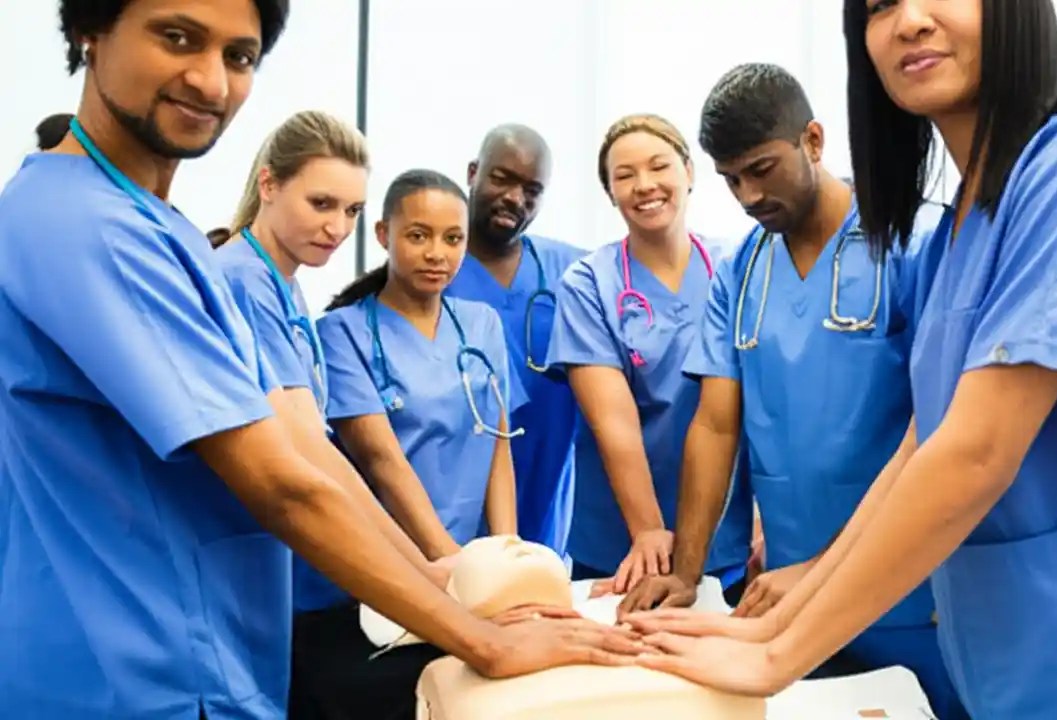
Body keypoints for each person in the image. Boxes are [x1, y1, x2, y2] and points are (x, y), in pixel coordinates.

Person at [626, 1, 1057, 718]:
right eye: (878, 7)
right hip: (1017, 671)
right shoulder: (953, 237)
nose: (908, 21)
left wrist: (779, 653)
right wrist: (777, 624)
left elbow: (976, 451)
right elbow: (923, 444)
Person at [0, 3, 637, 717]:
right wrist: (478, 638)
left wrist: (442, 582)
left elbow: (308, 452)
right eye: (176, 37)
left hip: (210, 654)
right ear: (91, 27)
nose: (210, 80)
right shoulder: (82, 226)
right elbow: (285, 478)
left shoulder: (164, 233)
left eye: (239, 57)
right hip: (133, 675)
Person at [618, 63, 962, 718]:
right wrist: (685, 572)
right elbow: (715, 428)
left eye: (762, 168)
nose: (748, 195)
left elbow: (942, 433)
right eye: (730, 179)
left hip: (917, 596)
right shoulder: (743, 272)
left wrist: (825, 570)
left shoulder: (914, 241)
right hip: (789, 603)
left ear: (813, 140)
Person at [298, 169, 529, 718]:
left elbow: (498, 446)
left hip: (468, 582)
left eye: (453, 238)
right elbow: (383, 462)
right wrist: (450, 569)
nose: (437, 253)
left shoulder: (482, 325)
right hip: (377, 581)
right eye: (418, 235)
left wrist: (509, 559)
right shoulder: (343, 332)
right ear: (383, 235)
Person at [546, 114, 754, 598]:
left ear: (689, 172)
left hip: (725, 539)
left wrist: (764, 523)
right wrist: (648, 533)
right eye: (624, 176)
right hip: (620, 545)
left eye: (659, 166)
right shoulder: (589, 283)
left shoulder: (737, 267)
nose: (644, 185)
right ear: (610, 192)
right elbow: (613, 420)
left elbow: (760, 407)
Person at [446, 124, 585, 557]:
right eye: (502, 178)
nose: (514, 197)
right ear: (473, 173)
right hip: (457, 501)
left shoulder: (576, 272)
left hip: (548, 498)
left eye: (532, 189)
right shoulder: (431, 272)